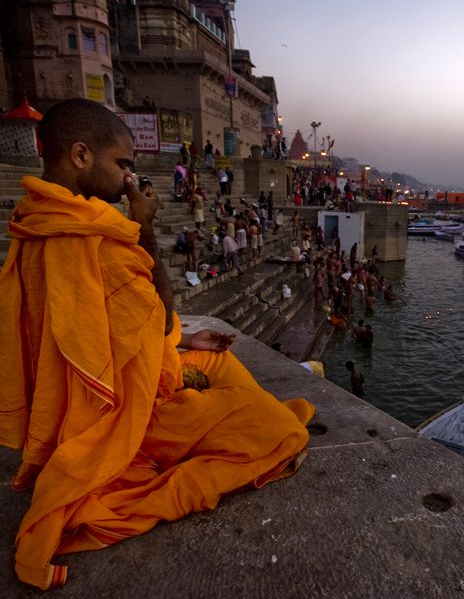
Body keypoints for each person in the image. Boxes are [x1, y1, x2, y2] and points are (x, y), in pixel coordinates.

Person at [0, 99, 313, 590]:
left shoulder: (36, 217)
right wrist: (143, 226)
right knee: (284, 431)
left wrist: (185, 340)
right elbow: (159, 315)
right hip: (132, 416)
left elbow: (122, 329)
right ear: (80, 156)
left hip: (115, 384)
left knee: (216, 360)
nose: (130, 178)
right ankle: (212, 441)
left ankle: (227, 413)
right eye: (123, 164)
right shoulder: (93, 240)